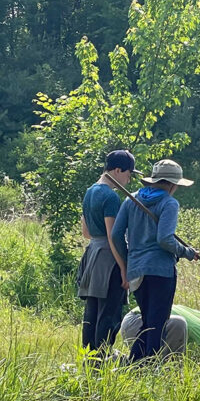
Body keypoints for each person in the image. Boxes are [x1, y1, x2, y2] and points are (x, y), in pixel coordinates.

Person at [111, 159, 199, 363]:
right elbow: (165, 239)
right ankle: (149, 369)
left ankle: (134, 367)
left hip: (136, 272)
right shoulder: (169, 203)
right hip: (161, 271)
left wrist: (129, 259)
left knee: (147, 323)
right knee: (157, 324)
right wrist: (186, 252)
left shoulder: (131, 200)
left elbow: (116, 235)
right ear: (172, 184)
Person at [77, 150, 138, 355]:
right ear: (117, 170)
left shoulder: (89, 191)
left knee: (91, 313)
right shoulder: (110, 196)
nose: (129, 180)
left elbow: (86, 232)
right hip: (108, 259)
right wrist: (124, 268)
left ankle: (88, 359)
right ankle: (100, 360)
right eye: (129, 174)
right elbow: (114, 236)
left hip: (92, 254)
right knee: (109, 314)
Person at [120, 300, 200, 358]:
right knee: (179, 324)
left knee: (146, 361)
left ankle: (119, 359)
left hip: (132, 321)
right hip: (137, 325)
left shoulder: (197, 316)